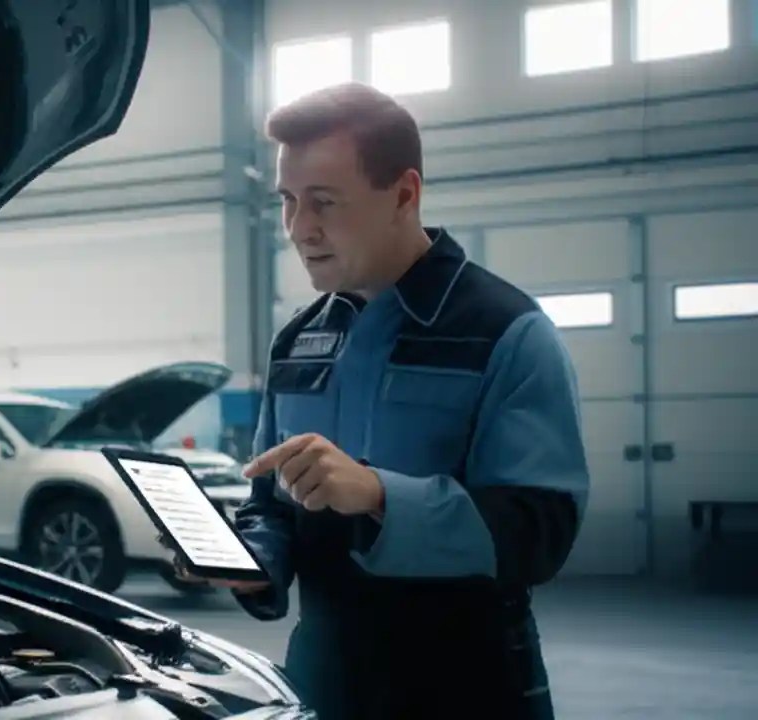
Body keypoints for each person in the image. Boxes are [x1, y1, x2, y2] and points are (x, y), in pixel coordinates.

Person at [169, 83, 589, 718]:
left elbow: (540, 531)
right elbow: (271, 504)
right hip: (323, 682)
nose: (299, 228)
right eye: (287, 201)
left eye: (324, 203)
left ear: (404, 194)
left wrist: (379, 495)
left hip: (469, 687)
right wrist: (252, 562)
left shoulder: (506, 331)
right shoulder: (299, 341)